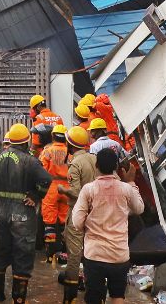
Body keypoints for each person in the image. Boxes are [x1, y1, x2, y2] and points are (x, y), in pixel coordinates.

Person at [0, 123, 52, 304]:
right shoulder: (30, 160)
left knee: (1, 251)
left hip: (1, 212)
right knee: (23, 254)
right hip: (23, 214)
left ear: (10, 140)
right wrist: (36, 195)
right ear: (26, 142)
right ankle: (18, 299)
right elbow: (45, 179)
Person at [70, 148, 143, 304]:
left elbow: (76, 222)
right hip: (119, 255)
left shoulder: (89, 189)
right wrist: (131, 182)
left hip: (94, 254)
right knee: (117, 295)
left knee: (93, 298)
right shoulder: (126, 189)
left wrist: (88, 224)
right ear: (116, 167)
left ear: (96, 166)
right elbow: (139, 209)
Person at [59, 125, 97, 303]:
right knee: (93, 252)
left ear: (70, 145)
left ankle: (70, 295)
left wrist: (62, 190)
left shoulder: (75, 164)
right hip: (96, 213)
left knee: (74, 254)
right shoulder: (95, 159)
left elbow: (76, 192)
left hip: (78, 212)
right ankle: (94, 290)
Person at [40, 124, 71, 261]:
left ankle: (50, 255)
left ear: (53, 136)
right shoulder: (70, 152)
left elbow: (41, 170)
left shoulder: (48, 151)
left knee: (49, 222)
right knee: (65, 221)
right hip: (67, 188)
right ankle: (65, 253)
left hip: (51, 187)